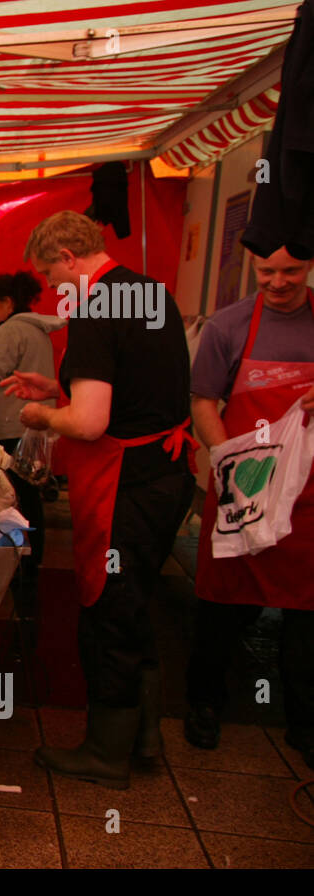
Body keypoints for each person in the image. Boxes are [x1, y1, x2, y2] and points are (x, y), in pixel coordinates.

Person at [3, 211, 195, 789]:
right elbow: (132, 389)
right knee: (135, 600)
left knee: (109, 610)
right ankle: (144, 735)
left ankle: (106, 755)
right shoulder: (150, 295)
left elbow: (89, 423)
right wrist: (57, 387)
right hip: (167, 475)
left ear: (67, 255)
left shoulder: (92, 309)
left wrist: (41, 414)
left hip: (124, 485)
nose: (57, 292)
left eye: (54, 278)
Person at [184, 246, 314, 766]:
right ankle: (204, 707)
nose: (278, 281)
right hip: (244, 484)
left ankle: (303, 723)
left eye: (292, 271)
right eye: (267, 271)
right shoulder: (227, 326)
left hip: (307, 493)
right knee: (222, 607)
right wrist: (227, 464)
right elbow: (203, 403)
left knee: (306, 613)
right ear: (252, 268)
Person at [0, 271, 66, 577]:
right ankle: (35, 559)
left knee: (13, 497)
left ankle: (19, 564)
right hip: (35, 425)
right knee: (30, 495)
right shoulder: (38, 330)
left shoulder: (10, 331)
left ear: (8, 302)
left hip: (11, 424)